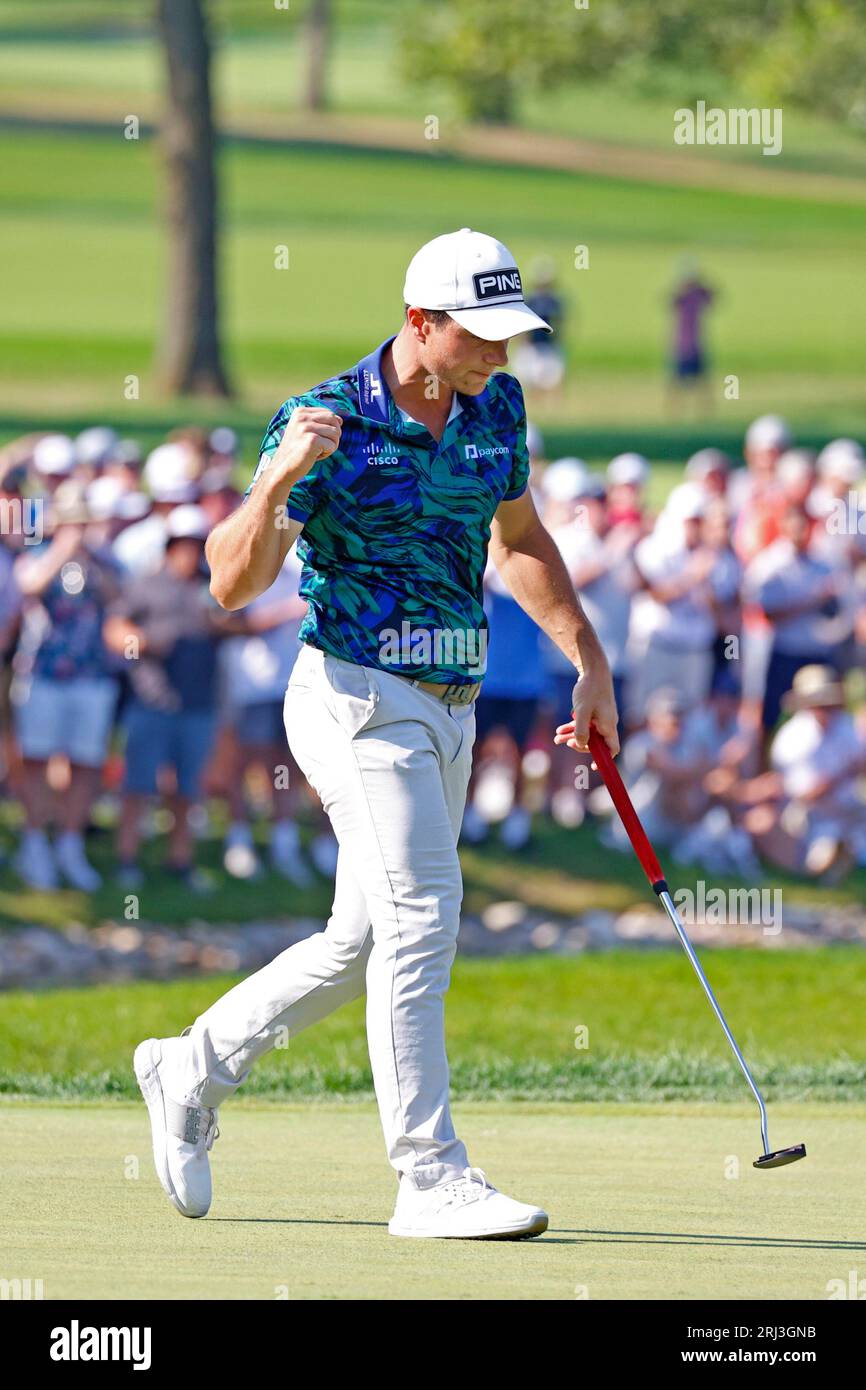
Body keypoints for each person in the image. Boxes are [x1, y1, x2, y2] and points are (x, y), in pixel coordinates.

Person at [133, 227, 618, 1240]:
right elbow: (230, 583)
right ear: (417, 323)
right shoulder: (328, 421)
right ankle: (428, 1174)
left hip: (451, 702)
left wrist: (586, 655)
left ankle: (193, 1063)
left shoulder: (497, 406)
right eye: (477, 335)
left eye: (506, 334)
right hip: (353, 696)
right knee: (424, 913)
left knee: (360, 939)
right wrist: (271, 483)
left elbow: (518, 540)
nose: (496, 353)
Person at [11, 481, 121, 891]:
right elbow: (30, 587)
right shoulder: (37, 555)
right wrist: (62, 551)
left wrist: (90, 558)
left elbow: (118, 597)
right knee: (37, 761)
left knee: (86, 764)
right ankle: (35, 842)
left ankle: (70, 842)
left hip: (93, 678)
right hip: (43, 676)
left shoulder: (103, 561)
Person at [104, 505, 220, 889]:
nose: (190, 553)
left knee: (187, 790)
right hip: (152, 700)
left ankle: (180, 861)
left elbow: (239, 624)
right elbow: (116, 628)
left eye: (197, 545)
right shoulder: (147, 584)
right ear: (170, 547)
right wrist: (145, 644)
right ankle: (126, 859)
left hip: (199, 701)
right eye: (184, 545)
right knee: (138, 785)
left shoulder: (215, 586)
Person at [667, 261, 715, 412]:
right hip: (682, 344)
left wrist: (700, 284)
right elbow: (670, 301)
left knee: (701, 380)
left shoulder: (698, 294)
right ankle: (675, 409)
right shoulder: (681, 296)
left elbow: (713, 296)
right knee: (677, 380)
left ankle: (704, 409)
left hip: (696, 343)